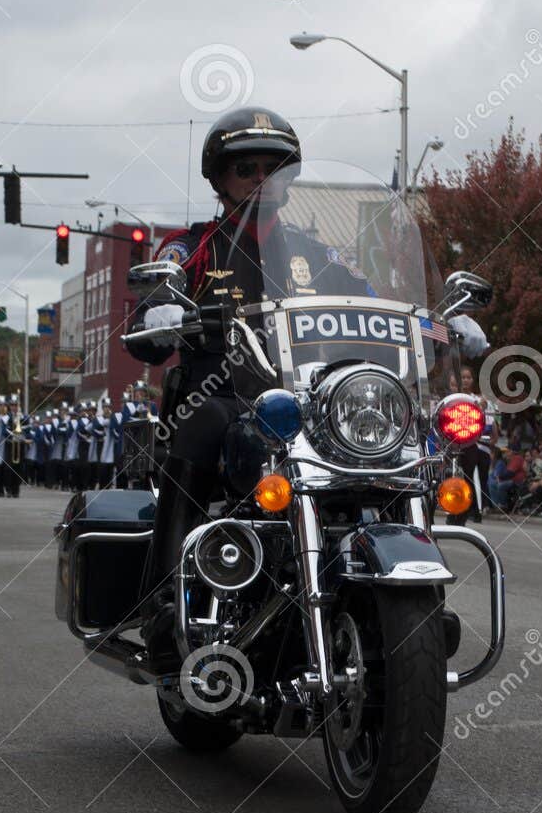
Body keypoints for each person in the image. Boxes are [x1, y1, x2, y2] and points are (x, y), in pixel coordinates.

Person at [125, 104, 365, 668]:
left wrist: (436, 325)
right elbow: (147, 317)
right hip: (225, 395)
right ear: (219, 179)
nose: (261, 180)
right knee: (203, 423)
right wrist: (158, 315)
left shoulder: (315, 253)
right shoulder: (191, 249)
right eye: (246, 169)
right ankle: (167, 600)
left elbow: (369, 301)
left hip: (309, 402)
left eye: (273, 169)